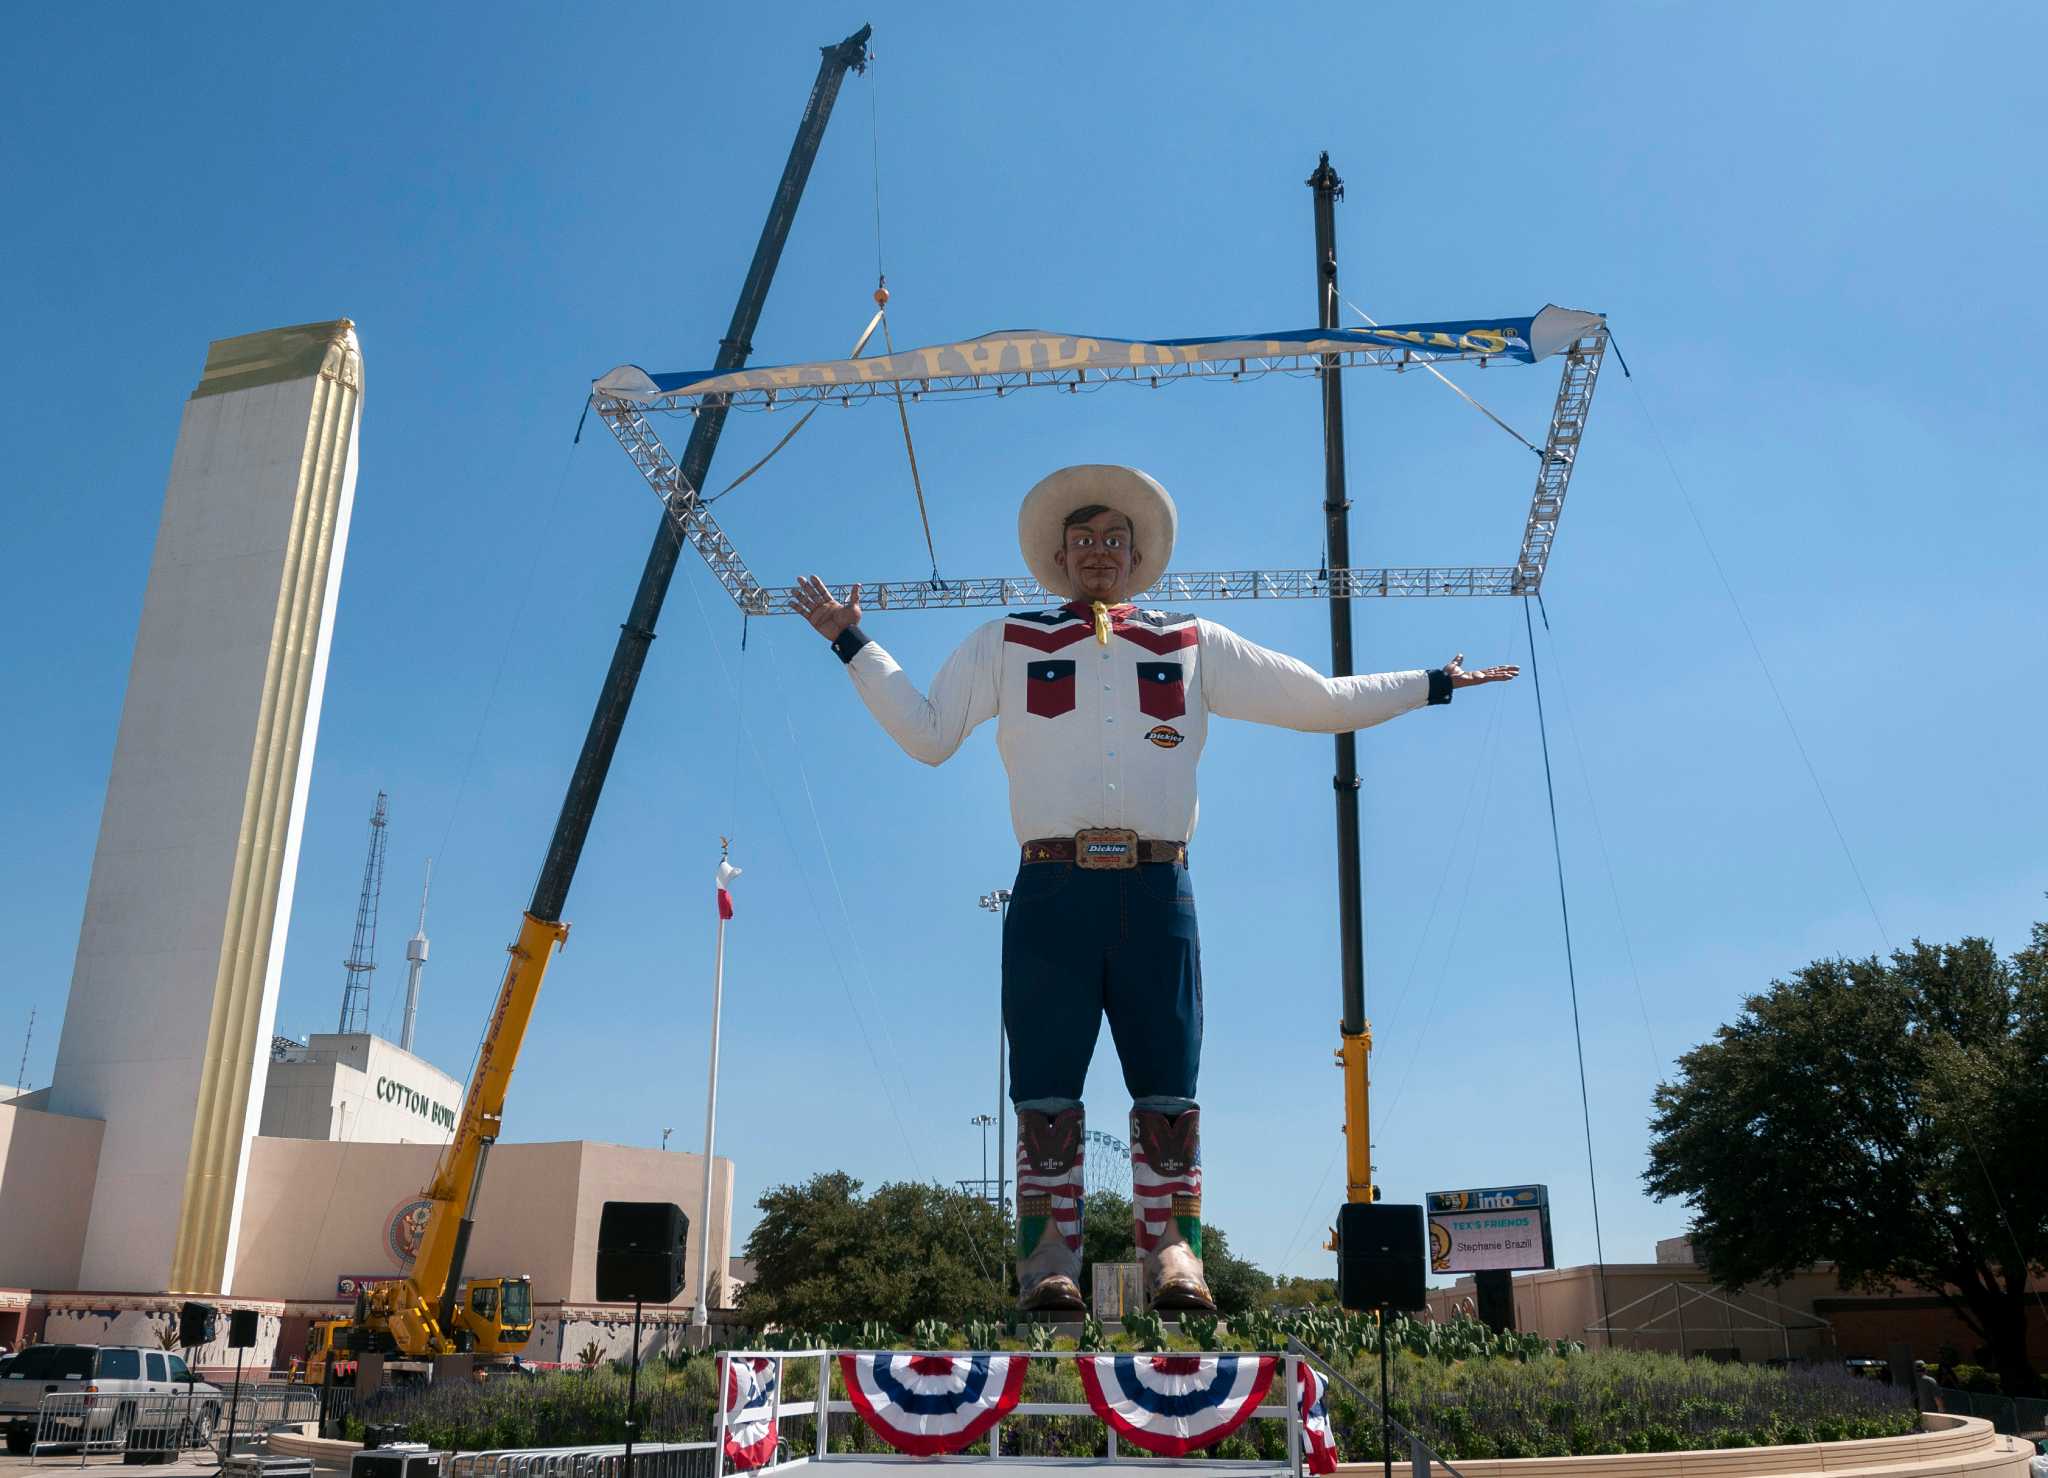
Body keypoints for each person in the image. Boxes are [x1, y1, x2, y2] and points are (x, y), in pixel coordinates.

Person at [794, 465, 1517, 1312]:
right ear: (1057, 556)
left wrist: (1429, 683)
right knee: (1047, 1091)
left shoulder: (1191, 642)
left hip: (1157, 886)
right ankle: (1047, 1263)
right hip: (1050, 887)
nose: (1098, 553)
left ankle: (1174, 1252)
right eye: (1083, 540)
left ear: (1139, 557)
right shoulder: (1008, 641)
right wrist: (853, 641)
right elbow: (925, 733)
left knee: (1169, 1082)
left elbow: (1317, 700)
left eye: (1114, 540)